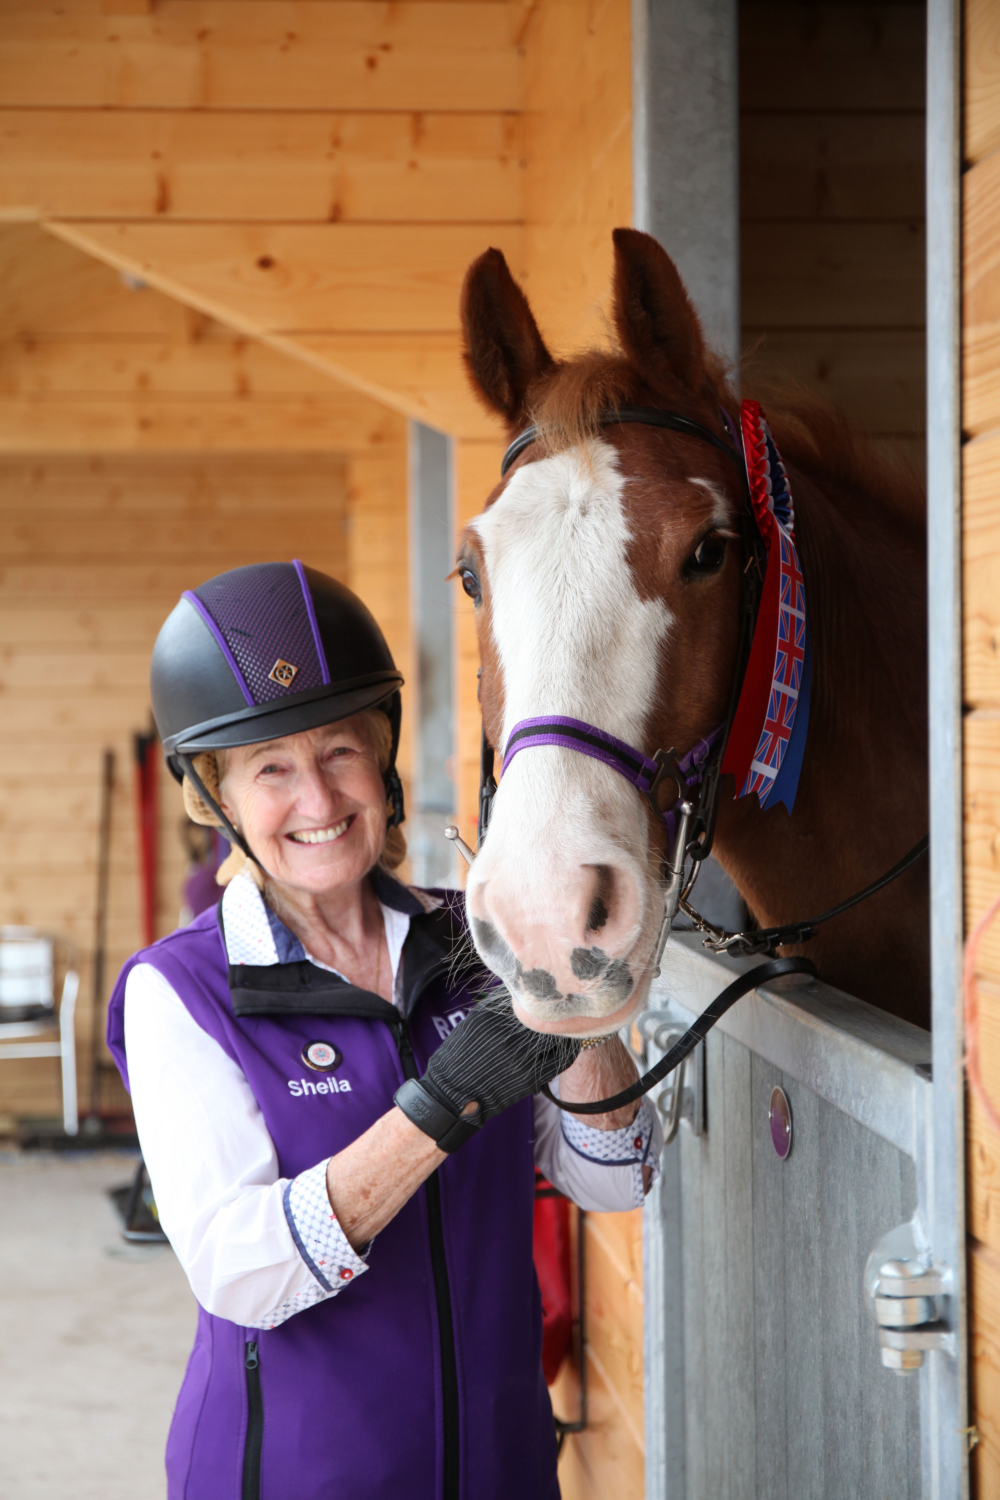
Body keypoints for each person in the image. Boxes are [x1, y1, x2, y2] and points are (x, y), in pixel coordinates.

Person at [107, 560, 662, 1500]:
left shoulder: (474, 941)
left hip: (504, 1467)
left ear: (384, 758)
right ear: (218, 800)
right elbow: (241, 1272)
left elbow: (614, 1177)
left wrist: (574, 978)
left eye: (339, 754)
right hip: (299, 1478)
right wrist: (444, 1105)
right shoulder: (182, 992)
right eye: (271, 769)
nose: (319, 802)